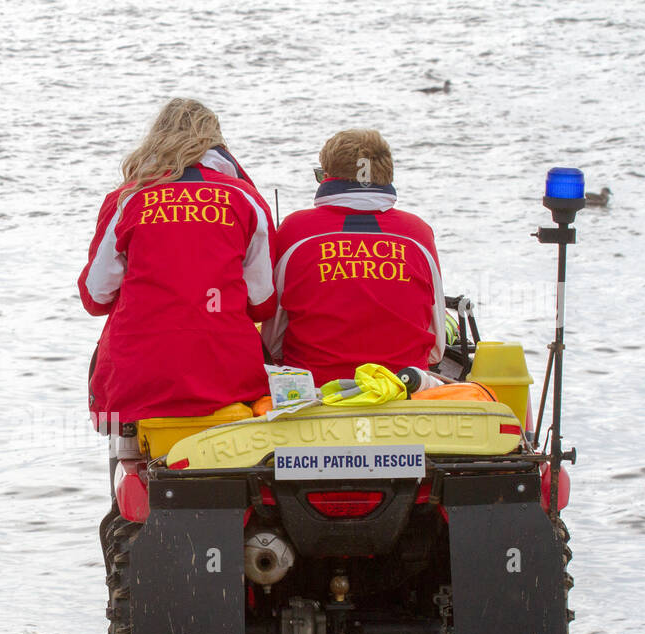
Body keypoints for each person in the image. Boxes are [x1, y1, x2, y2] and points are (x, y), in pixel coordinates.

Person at [79, 98, 277, 431]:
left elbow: (94, 298)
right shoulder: (245, 198)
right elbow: (263, 303)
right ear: (216, 143)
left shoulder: (127, 199)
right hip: (229, 379)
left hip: (136, 381)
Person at [261, 129, 446, 387]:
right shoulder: (417, 232)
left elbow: (272, 342)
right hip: (403, 386)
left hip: (317, 389)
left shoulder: (295, 229)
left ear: (327, 177)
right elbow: (437, 348)